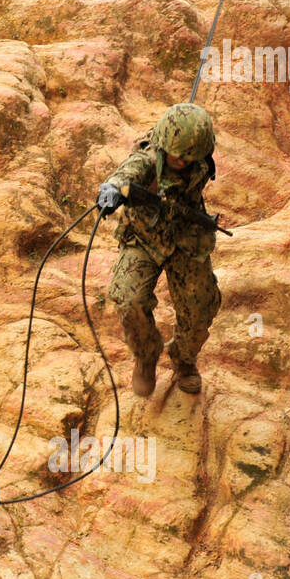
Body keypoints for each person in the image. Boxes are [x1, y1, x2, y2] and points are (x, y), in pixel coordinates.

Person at [96, 103, 222, 396]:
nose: (181, 161)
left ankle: (184, 359)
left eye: (188, 157)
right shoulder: (150, 157)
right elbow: (127, 173)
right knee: (129, 299)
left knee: (200, 306)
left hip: (186, 238)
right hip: (143, 237)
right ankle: (145, 357)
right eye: (176, 156)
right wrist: (113, 190)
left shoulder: (200, 156)